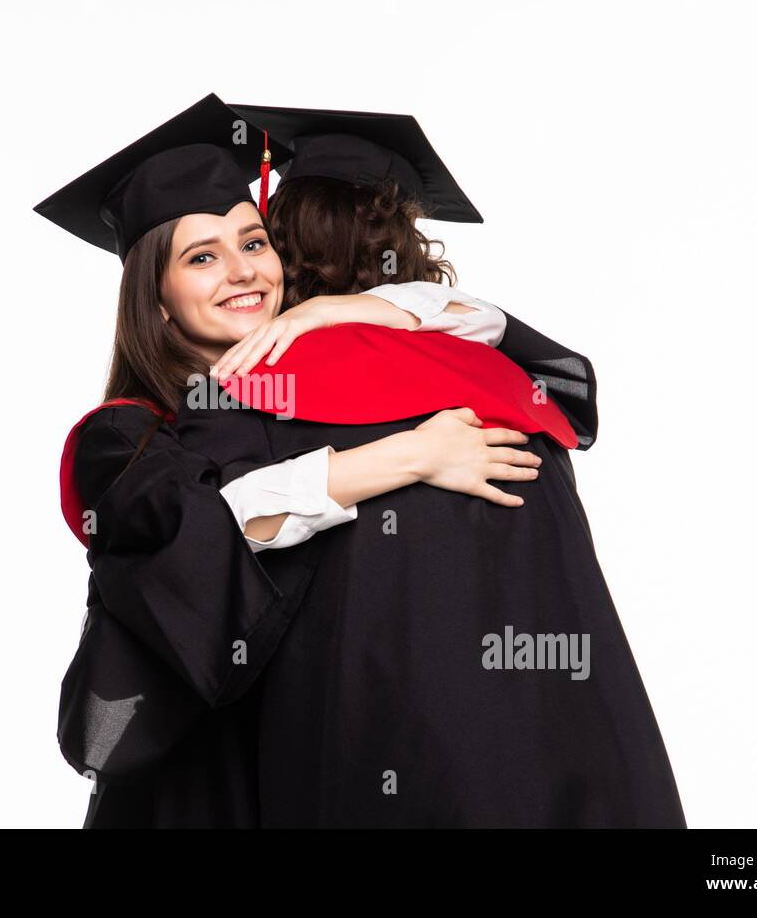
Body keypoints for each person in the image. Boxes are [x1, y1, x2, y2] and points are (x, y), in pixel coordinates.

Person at [36, 94, 559, 826]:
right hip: (187, 791)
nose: (243, 273)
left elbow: (491, 328)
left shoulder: (304, 392)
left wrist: (341, 308)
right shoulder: (123, 438)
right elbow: (213, 530)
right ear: (155, 300)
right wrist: (409, 456)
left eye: (254, 243)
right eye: (201, 257)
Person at [164, 104, 686, 826]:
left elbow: (209, 538)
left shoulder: (253, 385)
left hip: (365, 762)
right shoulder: (515, 383)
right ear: (409, 246)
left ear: (280, 246)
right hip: (565, 756)